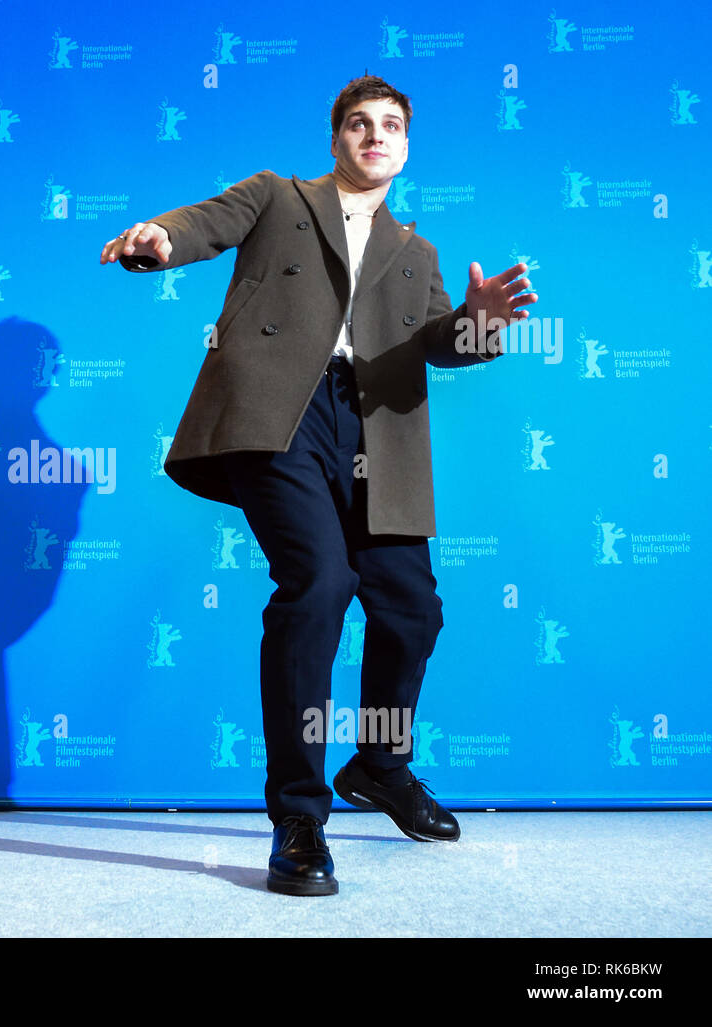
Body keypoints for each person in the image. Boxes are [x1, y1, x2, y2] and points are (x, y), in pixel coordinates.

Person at [99, 75, 538, 896]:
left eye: (393, 125)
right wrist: (157, 237)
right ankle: (298, 816)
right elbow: (204, 222)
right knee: (319, 582)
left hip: (378, 430)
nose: (376, 135)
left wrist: (478, 320)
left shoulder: (419, 252)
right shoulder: (278, 196)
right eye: (360, 124)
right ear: (336, 138)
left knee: (411, 607)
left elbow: (439, 343)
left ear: (407, 146)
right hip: (280, 416)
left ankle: (379, 763)